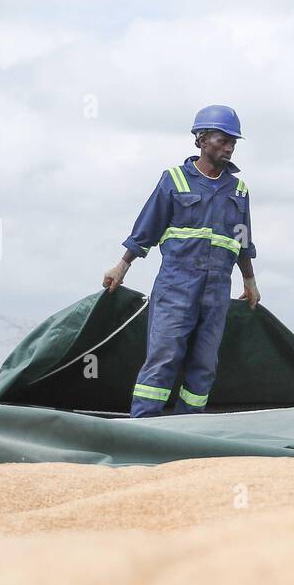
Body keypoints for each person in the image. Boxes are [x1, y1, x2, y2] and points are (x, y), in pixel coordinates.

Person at [102, 105, 261, 417]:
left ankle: (188, 433)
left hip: (216, 291)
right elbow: (146, 229)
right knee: (164, 357)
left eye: (233, 142)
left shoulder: (239, 190)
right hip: (176, 287)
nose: (228, 147)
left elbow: (242, 241)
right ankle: (144, 429)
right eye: (222, 140)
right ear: (201, 139)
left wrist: (250, 281)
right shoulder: (174, 180)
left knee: (204, 365)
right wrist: (123, 264)